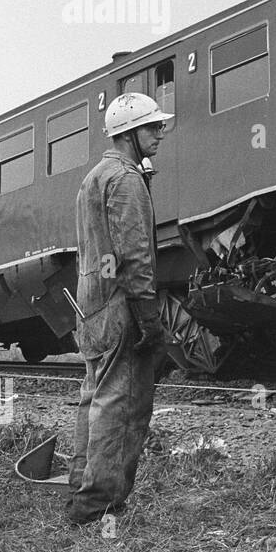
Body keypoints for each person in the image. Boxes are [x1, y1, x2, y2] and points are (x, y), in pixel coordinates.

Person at [67, 92, 172, 525]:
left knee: (94, 395)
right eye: (152, 127)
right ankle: (98, 503)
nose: (160, 133)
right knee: (122, 401)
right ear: (129, 133)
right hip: (119, 303)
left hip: (91, 302)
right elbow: (135, 253)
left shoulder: (94, 176)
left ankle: (81, 483)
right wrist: (149, 315)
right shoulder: (126, 179)